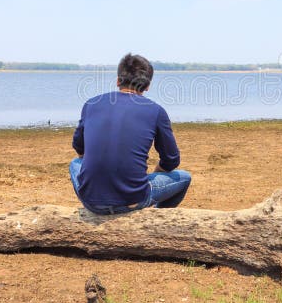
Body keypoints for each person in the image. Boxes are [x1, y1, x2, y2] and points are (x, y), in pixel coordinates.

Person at [69, 53, 191, 214]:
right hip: (132, 200)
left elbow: (79, 148)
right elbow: (171, 160)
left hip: (90, 201)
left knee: (75, 163)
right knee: (184, 177)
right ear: (147, 86)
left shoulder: (91, 104)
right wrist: (153, 176)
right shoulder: (156, 111)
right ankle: (156, 215)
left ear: (118, 80)